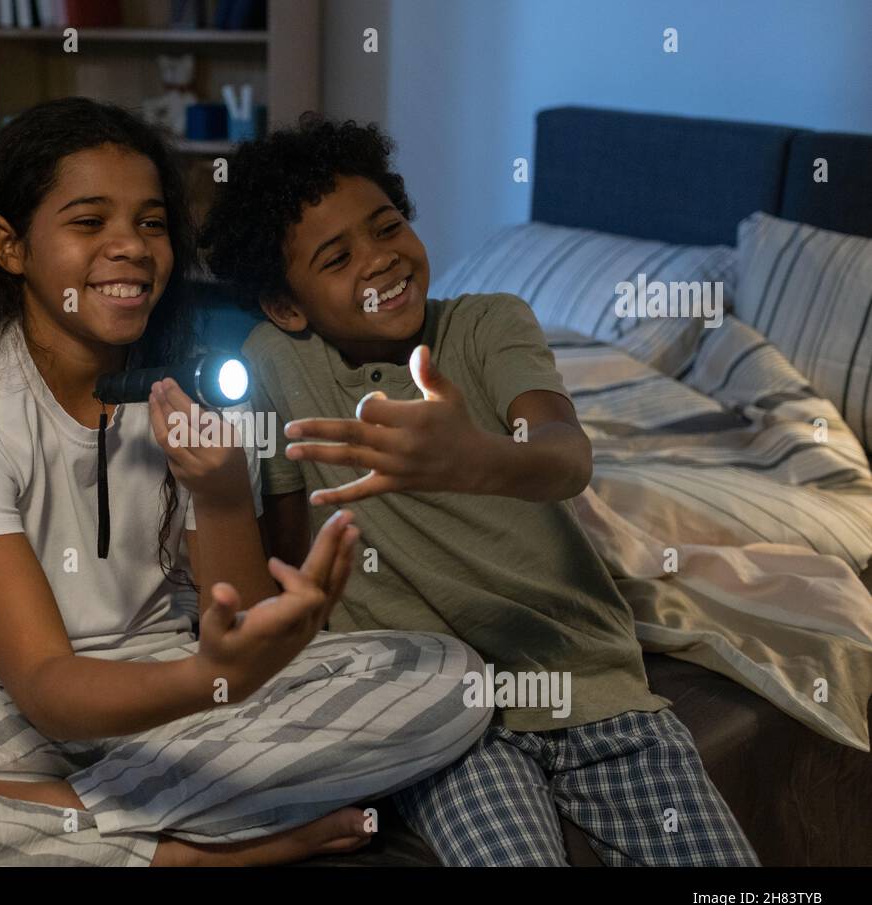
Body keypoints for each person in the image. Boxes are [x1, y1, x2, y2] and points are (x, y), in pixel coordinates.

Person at [0, 99, 490, 868]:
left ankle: (48, 811)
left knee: (450, 675)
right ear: (11, 248)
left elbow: (233, 620)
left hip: (168, 675)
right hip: (0, 695)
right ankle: (177, 850)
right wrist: (218, 682)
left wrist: (217, 495)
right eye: (88, 221)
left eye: (151, 223)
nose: (132, 246)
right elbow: (47, 689)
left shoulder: (193, 389)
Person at [199, 114, 759, 866]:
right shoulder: (276, 363)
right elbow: (293, 556)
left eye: (388, 225)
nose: (379, 260)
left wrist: (479, 459)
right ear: (287, 306)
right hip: (441, 713)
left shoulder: (488, 325)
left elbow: (566, 456)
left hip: (583, 679)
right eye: (336, 257)